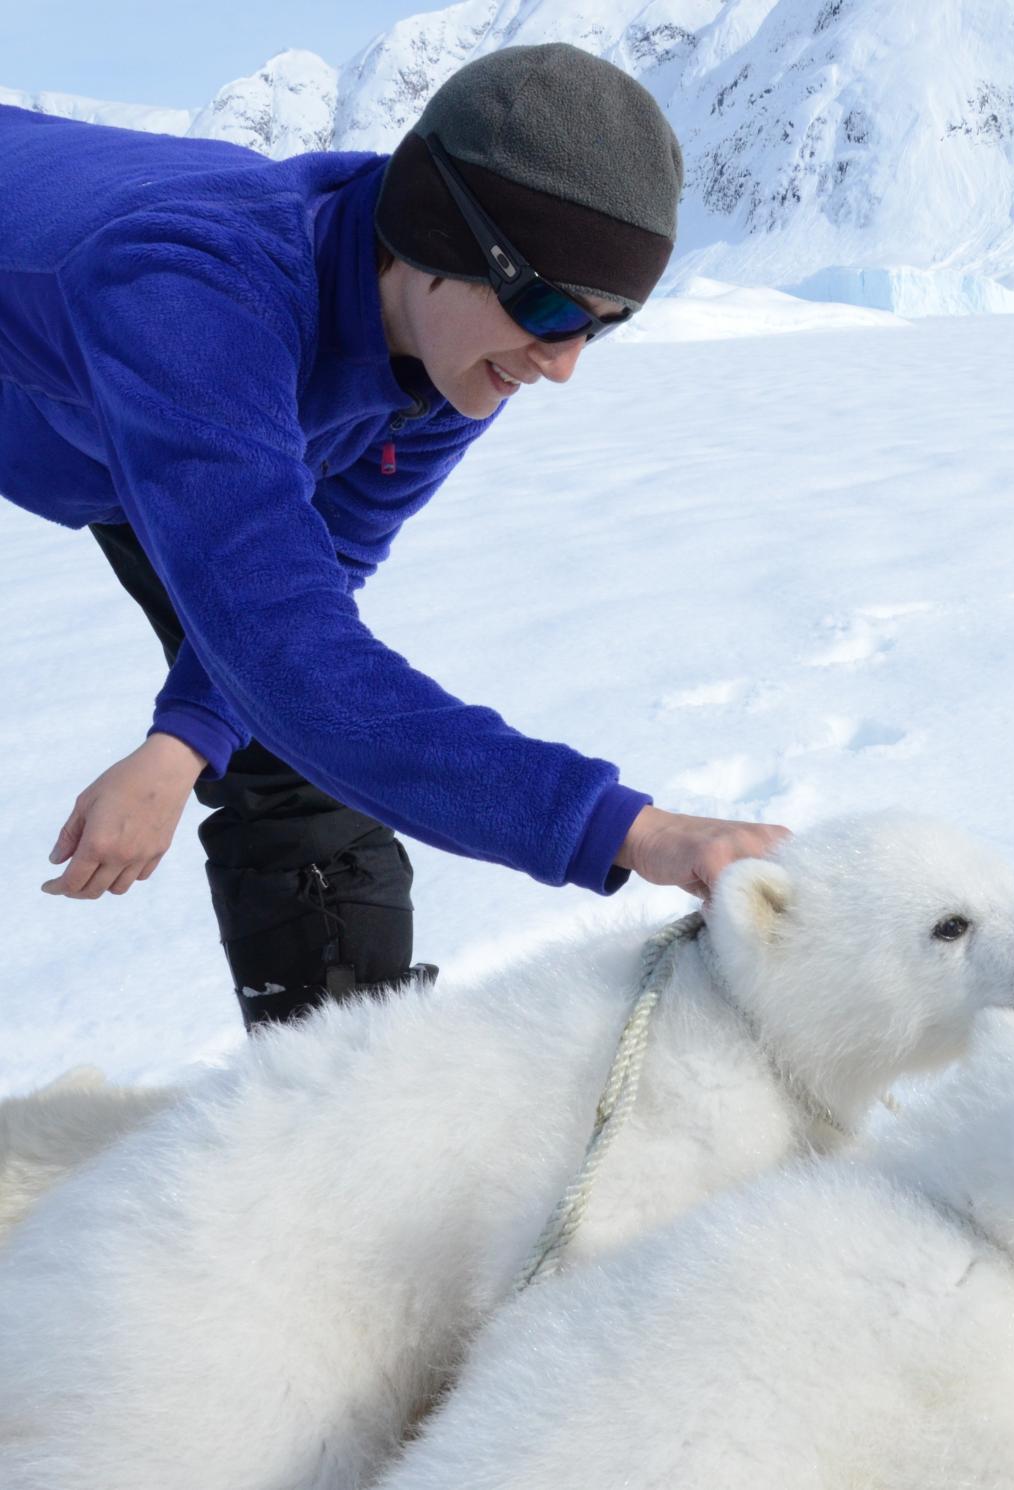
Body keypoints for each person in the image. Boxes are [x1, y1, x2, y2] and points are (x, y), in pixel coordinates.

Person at [0, 44, 789, 1030]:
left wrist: (181, 740)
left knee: (293, 767)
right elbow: (297, 665)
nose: (562, 364)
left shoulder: (453, 356)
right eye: (549, 309)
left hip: (128, 432)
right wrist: (636, 830)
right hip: (107, 373)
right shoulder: (191, 296)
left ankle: (340, 1104)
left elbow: (317, 570)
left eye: (603, 324)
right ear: (436, 233)